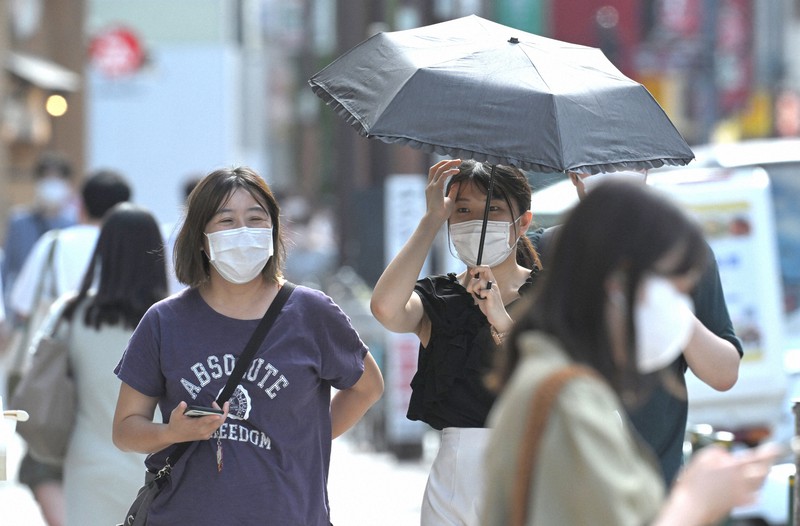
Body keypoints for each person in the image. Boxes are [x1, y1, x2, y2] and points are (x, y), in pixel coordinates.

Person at [483, 179, 779, 526]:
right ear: (618, 285)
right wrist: (696, 501)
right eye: (673, 291)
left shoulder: (556, 376)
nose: (679, 310)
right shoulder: (568, 398)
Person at [112, 166, 384, 525]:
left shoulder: (311, 312)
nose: (243, 232)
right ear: (199, 237)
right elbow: (125, 429)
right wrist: (171, 432)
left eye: (256, 219)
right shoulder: (164, 321)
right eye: (226, 220)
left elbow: (367, 387)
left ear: (273, 232)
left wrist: (306, 437)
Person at [528, 170, 742, 486]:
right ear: (575, 175)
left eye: (625, 160)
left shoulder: (678, 255)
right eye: (597, 162)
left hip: (654, 486)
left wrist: (668, 299)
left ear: (645, 170)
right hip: (568, 485)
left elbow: (724, 374)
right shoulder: (546, 251)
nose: (613, 170)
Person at [370, 158, 540, 525]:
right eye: (463, 210)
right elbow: (385, 308)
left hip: (533, 464)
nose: (476, 221)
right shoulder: (440, 295)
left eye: (492, 209)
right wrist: (430, 220)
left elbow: (553, 378)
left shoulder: (551, 293)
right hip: (455, 473)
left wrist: (499, 316)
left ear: (522, 222)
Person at [8, 168, 131, 526]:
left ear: (80, 206)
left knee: (43, 465)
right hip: (118, 375)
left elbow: (19, 307)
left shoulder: (54, 244)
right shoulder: (130, 250)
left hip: (58, 375)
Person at [52, 203, 168, 526]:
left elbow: (36, 368)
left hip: (87, 465)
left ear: (103, 248)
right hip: (158, 466)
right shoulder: (172, 319)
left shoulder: (71, 313)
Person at [1, 152, 77, 308]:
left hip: (58, 308)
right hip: (21, 309)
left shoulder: (72, 224)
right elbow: (7, 270)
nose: (51, 184)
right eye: (46, 178)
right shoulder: (19, 221)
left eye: (57, 179)